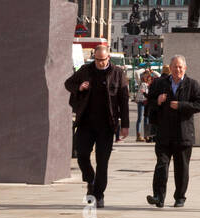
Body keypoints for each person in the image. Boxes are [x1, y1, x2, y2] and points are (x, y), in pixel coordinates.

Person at [65, 43, 129, 209]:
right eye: (97, 59)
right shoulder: (85, 70)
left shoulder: (117, 73)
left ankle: (97, 194)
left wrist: (125, 125)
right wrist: (79, 87)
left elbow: (123, 100)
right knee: (82, 155)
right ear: (94, 57)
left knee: (102, 161)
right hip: (86, 122)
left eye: (103, 60)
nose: (100, 63)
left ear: (109, 57)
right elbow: (68, 84)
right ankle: (90, 178)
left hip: (107, 125)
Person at [146, 55, 200, 207]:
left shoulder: (192, 84)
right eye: (175, 67)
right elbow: (149, 102)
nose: (177, 69)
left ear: (185, 68)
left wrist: (181, 105)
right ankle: (158, 196)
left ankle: (180, 197)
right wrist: (157, 101)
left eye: (180, 67)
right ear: (170, 68)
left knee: (181, 168)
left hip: (183, 134)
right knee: (161, 165)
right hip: (164, 133)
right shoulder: (160, 83)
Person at [135, 68, 154, 141]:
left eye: (148, 76)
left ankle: (147, 135)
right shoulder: (141, 82)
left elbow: (159, 75)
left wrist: (153, 71)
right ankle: (138, 135)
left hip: (147, 102)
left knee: (147, 119)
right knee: (140, 118)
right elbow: (136, 72)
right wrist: (143, 69)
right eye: (146, 76)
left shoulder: (151, 84)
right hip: (141, 102)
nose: (147, 77)